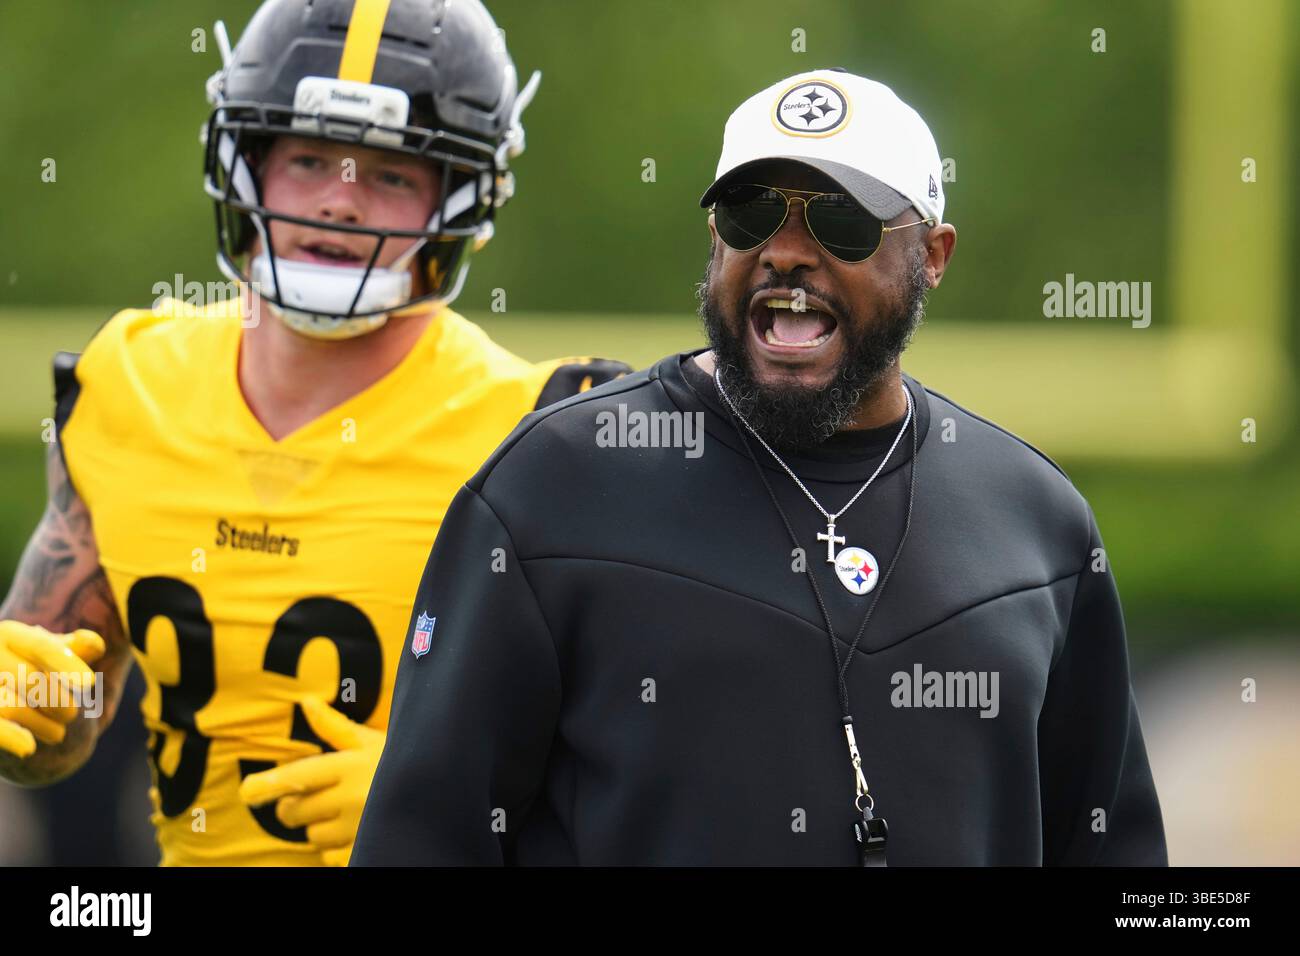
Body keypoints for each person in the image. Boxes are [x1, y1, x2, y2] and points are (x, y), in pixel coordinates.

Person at [354, 69, 1168, 866]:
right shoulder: (554, 485)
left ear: (933, 254)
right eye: (752, 213)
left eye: (841, 223)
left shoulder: (1036, 524)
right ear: (716, 238)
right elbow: (424, 839)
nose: (786, 254)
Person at [0, 0, 627, 866]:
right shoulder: (128, 381)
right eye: (307, 159)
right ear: (245, 163)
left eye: (393, 174)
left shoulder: (541, 432)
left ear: (461, 199)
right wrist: (28, 709)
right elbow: (65, 719)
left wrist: (441, 794)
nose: (340, 200)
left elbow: (650, 766)